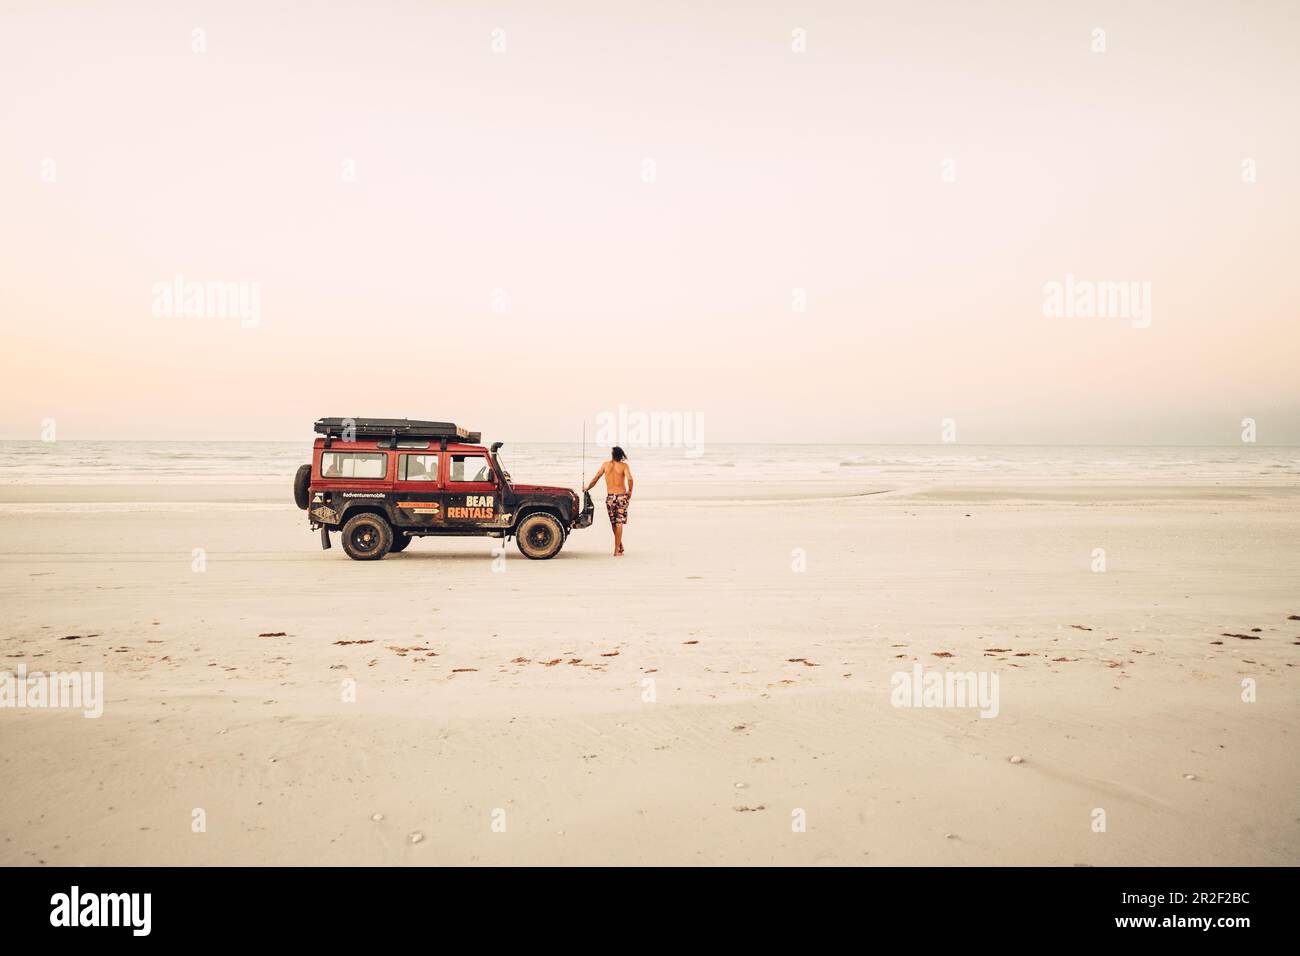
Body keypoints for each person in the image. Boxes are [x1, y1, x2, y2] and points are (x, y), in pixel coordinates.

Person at [585, 446, 633, 556]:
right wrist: (630, 491)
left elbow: (596, 478)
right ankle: (617, 550)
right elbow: (630, 479)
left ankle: (619, 545)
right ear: (621, 455)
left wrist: (587, 488)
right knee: (619, 522)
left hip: (610, 498)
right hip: (621, 497)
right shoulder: (624, 466)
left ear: (612, 454)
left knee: (613, 523)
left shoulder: (605, 465)